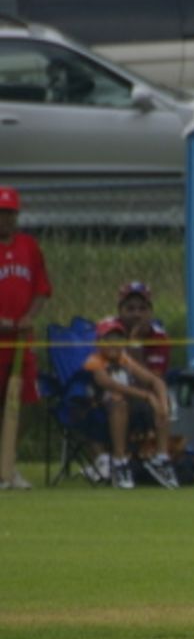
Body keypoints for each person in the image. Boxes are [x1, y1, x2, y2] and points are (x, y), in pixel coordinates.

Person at [84, 319, 178, 490]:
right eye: (109, 339)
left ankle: (161, 458)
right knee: (118, 401)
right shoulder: (94, 361)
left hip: (130, 409)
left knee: (164, 402)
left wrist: (162, 401)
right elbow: (108, 384)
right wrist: (146, 395)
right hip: (101, 412)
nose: (114, 344)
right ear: (99, 342)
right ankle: (120, 462)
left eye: (118, 339)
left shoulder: (124, 359)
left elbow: (154, 381)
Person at [0, 186, 51, 491]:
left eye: (9, 213)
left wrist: (30, 315)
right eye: (0, 213)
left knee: (24, 403)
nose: (4, 219)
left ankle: (8, 462)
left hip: (21, 341)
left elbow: (42, 289)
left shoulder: (28, 247)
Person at [113, 281, 170, 378]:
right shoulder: (108, 331)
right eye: (130, 309)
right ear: (119, 310)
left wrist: (135, 343)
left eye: (142, 309)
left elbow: (152, 380)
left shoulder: (159, 337)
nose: (137, 314)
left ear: (150, 311)